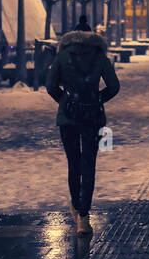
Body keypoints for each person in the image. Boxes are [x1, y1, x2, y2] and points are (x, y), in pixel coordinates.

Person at [46, 15, 120, 236]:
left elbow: (50, 86)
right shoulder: (100, 57)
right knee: (89, 163)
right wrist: (97, 99)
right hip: (92, 116)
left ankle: (76, 206)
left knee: (73, 162)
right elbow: (114, 86)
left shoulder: (62, 56)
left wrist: (66, 100)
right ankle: (84, 217)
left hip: (68, 117)